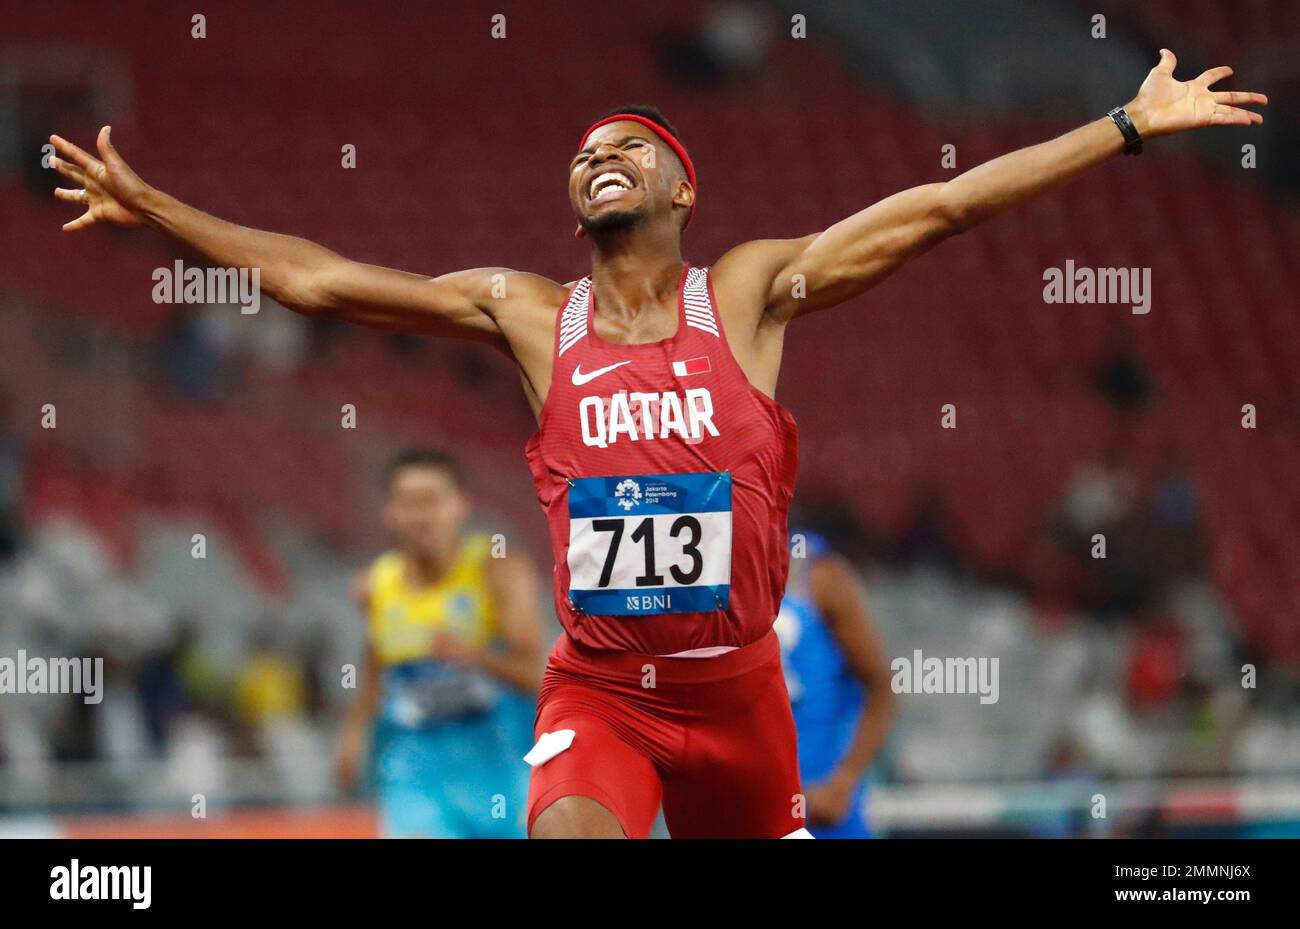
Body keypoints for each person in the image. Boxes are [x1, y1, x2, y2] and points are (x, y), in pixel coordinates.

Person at [49, 49, 1265, 837]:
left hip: (739, 697)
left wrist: (1122, 124)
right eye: (583, 154)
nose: (598, 157)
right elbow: (318, 280)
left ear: (682, 191)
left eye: (627, 145)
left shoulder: (745, 293)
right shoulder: (528, 312)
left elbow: (940, 209)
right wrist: (159, 211)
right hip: (600, 690)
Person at [335, 450, 543, 838]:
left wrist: (475, 656)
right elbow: (377, 660)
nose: (422, 515)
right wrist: (353, 733)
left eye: (433, 501)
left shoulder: (497, 571)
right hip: (418, 780)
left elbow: (537, 673)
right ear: (390, 512)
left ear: (461, 506)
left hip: (502, 777)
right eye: (409, 503)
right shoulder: (374, 586)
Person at [775, 531, 896, 838]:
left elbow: (881, 688)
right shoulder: (712, 571)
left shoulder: (818, 574)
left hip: (820, 810)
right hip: (747, 807)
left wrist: (843, 781)